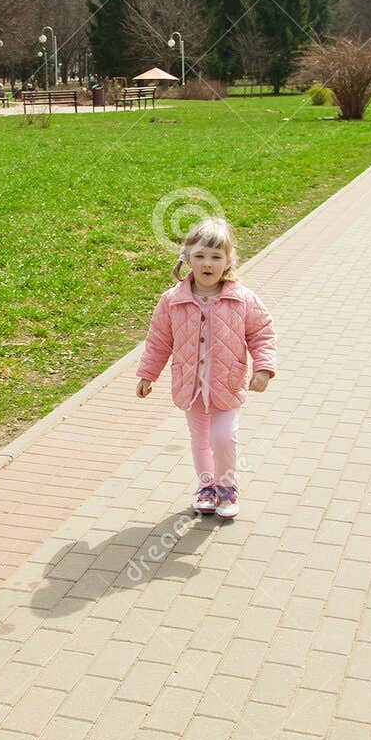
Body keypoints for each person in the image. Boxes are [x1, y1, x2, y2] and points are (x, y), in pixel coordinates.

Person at [135, 218, 277, 519]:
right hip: (191, 385)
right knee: (200, 439)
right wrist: (148, 373)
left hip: (226, 383)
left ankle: (227, 485)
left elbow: (261, 333)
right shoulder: (173, 300)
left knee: (223, 437)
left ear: (228, 261)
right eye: (199, 256)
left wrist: (263, 368)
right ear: (187, 259)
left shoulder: (242, 299)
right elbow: (159, 340)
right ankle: (206, 486)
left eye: (215, 257)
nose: (207, 264)